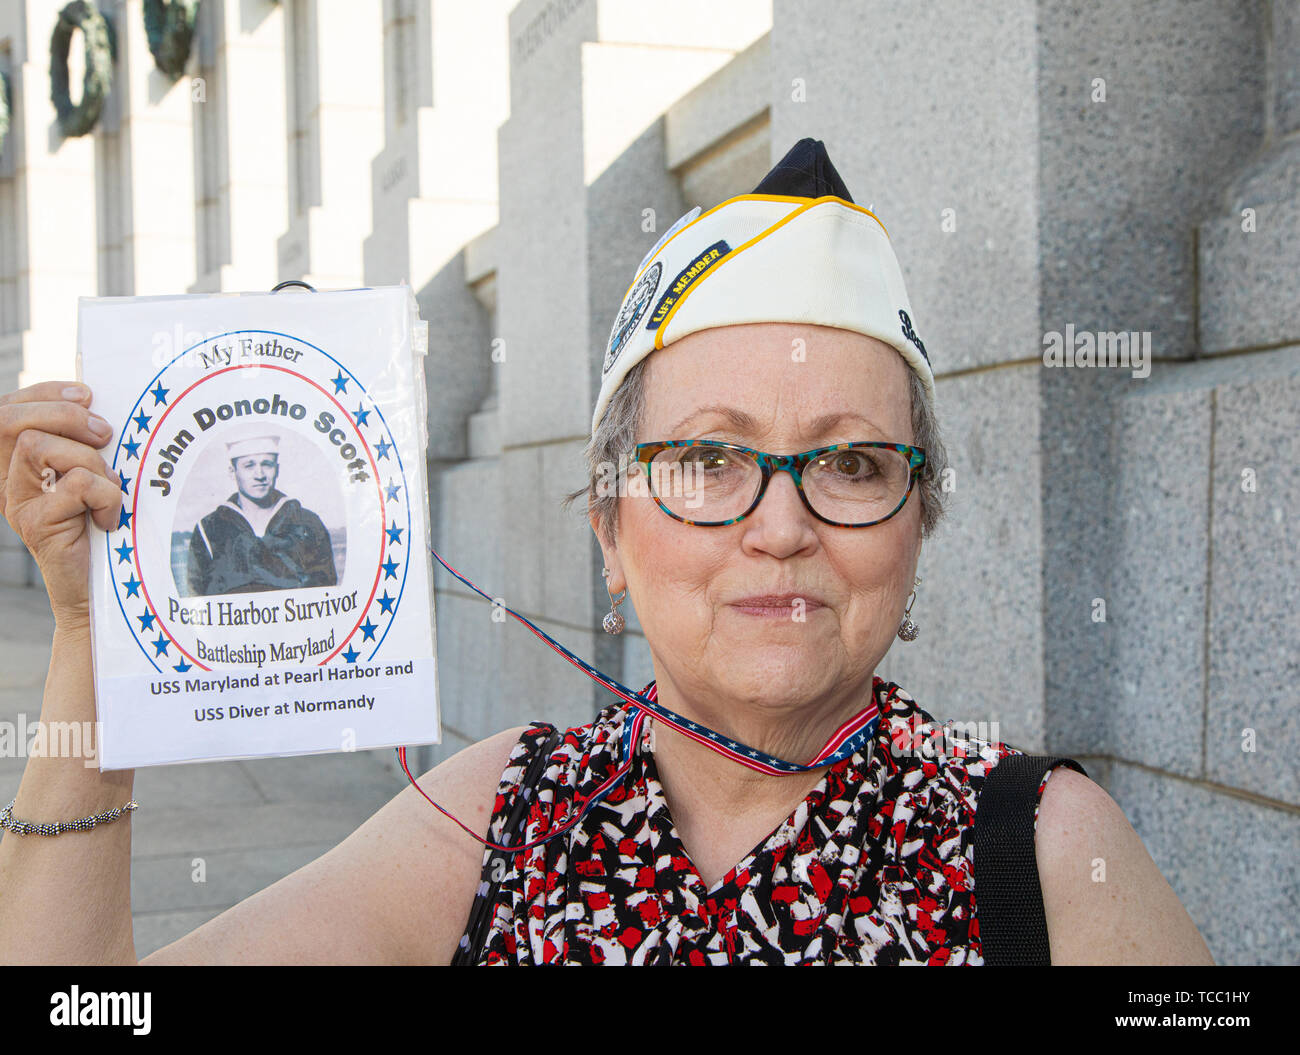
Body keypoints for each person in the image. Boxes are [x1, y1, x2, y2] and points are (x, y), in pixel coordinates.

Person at [0, 138, 1214, 965]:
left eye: (850, 462)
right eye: (704, 462)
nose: (780, 525)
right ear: (608, 534)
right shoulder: (498, 822)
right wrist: (99, 656)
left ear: (918, 524)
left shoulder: (1044, 849)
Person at [186, 434, 338, 596]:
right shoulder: (210, 529)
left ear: (277, 470)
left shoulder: (306, 523)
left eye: (267, 464)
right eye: (249, 466)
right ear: (232, 472)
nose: (259, 475)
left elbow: (325, 591)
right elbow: (196, 596)